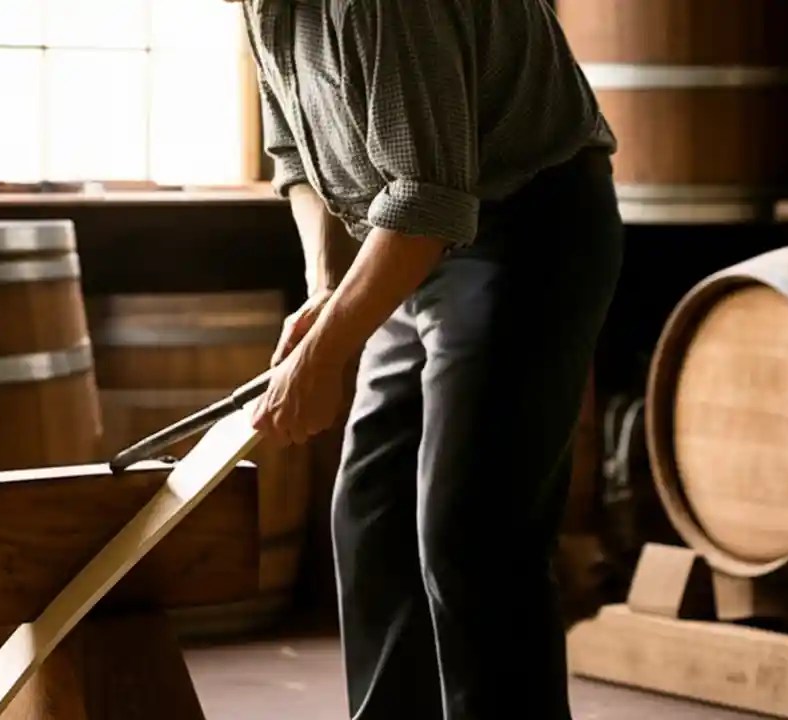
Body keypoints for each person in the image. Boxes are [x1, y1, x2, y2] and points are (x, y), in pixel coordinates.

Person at [240, 1, 624, 718]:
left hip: (527, 228)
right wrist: (326, 291)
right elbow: (295, 157)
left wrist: (325, 354)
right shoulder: (262, 6)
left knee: (471, 536)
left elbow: (429, 199)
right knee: (371, 518)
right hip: (411, 237)